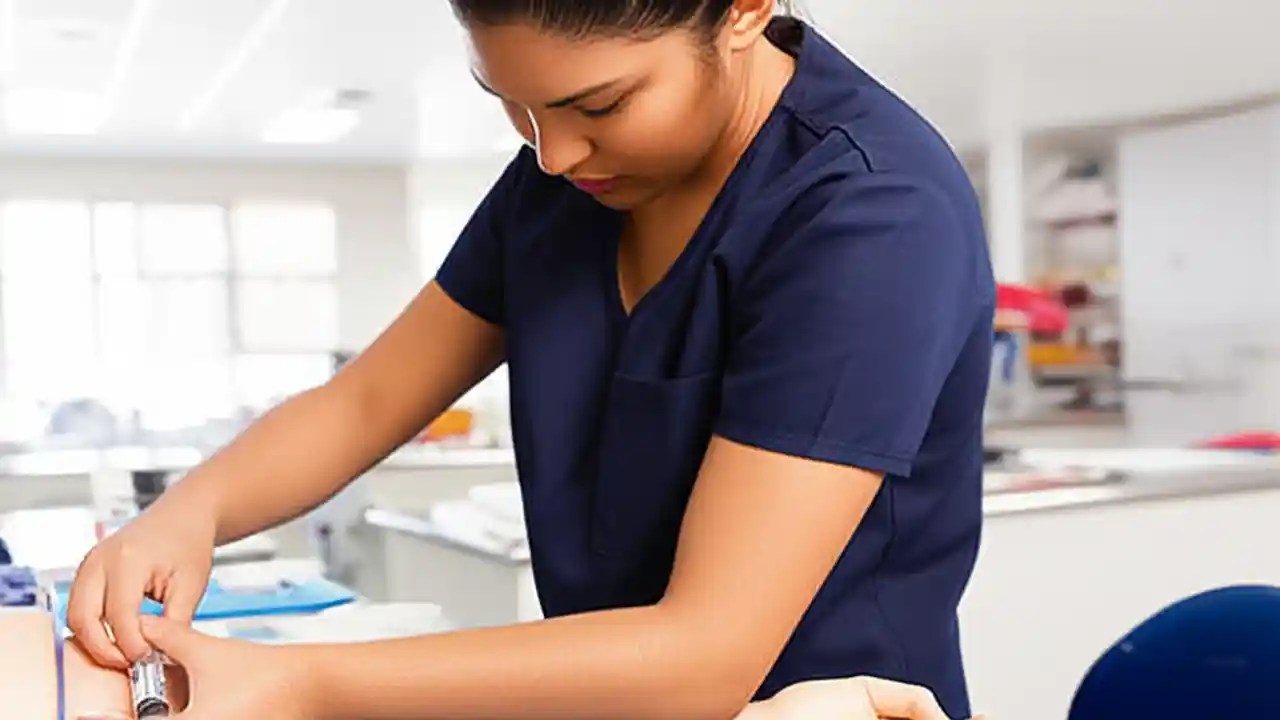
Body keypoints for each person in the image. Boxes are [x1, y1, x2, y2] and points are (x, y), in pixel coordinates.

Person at [66, 0, 994, 717]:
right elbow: (368, 399)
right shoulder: (574, 179)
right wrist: (190, 513)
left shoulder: (869, 213)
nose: (552, 155)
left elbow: (705, 652)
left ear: (746, 8)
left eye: (600, 103)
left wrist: (300, 684)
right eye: (512, 106)